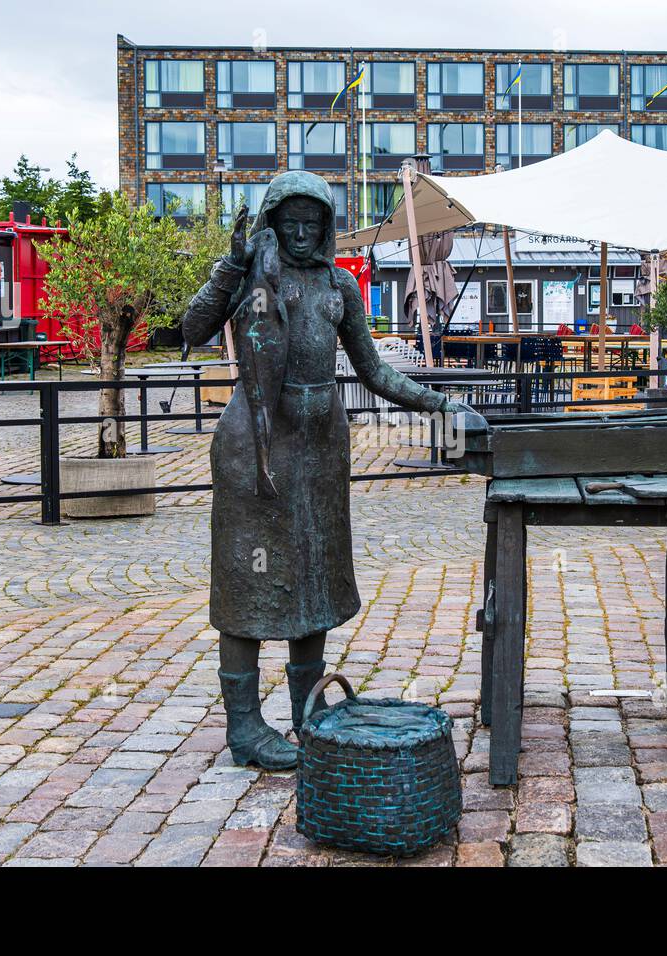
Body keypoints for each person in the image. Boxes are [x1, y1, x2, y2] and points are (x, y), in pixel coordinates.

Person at [179, 171, 467, 770]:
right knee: (248, 581)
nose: (302, 234)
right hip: (255, 447)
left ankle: (307, 711)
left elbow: (373, 371)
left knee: (315, 579)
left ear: (328, 227)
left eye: (313, 224)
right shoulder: (254, 279)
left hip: (320, 451)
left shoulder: (340, 285)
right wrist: (231, 266)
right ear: (273, 223)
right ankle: (245, 728)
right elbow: (192, 328)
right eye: (290, 223)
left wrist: (440, 404)